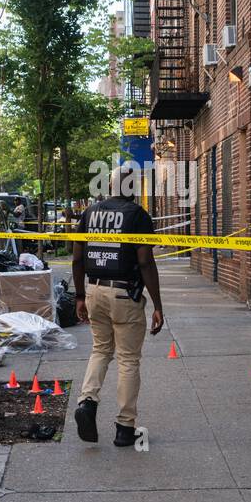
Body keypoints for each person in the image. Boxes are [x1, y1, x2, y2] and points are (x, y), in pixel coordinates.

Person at [71, 169, 165, 447]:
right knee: (127, 359)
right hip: (125, 294)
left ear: (110, 186)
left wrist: (79, 297)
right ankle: (125, 427)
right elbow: (146, 261)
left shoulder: (90, 214)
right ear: (132, 188)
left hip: (94, 290)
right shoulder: (137, 215)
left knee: (100, 350)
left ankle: (87, 402)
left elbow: (77, 259)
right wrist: (158, 305)